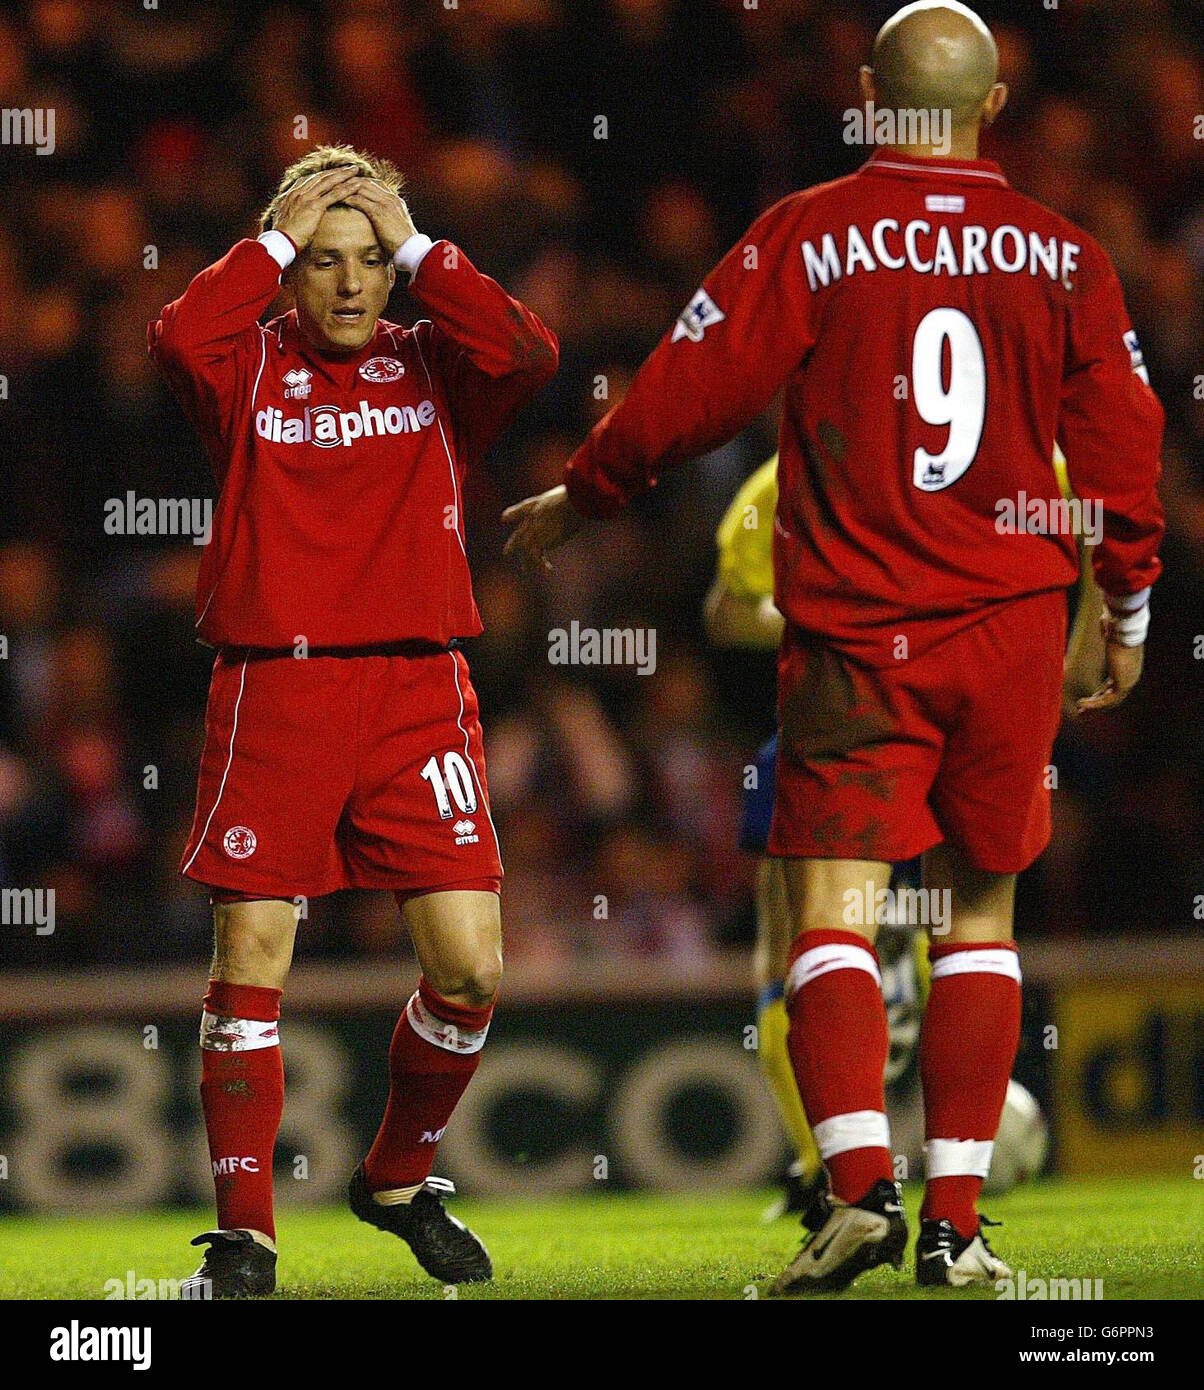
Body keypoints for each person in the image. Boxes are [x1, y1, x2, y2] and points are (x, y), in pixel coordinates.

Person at [504, 1, 1163, 1295]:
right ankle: (959, 1229)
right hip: (1015, 628)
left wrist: (590, 489)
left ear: (869, 93)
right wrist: (1126, 611)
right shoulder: (1067, 255)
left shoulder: (810, 231)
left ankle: (859, 1188)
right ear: (994, 105)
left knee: (832, 915)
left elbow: (696, 384)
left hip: (860, 632)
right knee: (980, 915)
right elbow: (1129, 448)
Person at [149, 145, 557, 1296]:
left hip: (419, 694)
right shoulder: (242, 370)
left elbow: (530, 349)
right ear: (283, 271)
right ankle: (245, 1240)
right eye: (320, 261)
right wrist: (276, 230)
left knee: (471, 972)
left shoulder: (435, 368)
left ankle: (392, 1177)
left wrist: (425, 244)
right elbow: (179, 333)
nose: (345, 284)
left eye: (370, 261)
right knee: (253, 957)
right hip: (276, 691)